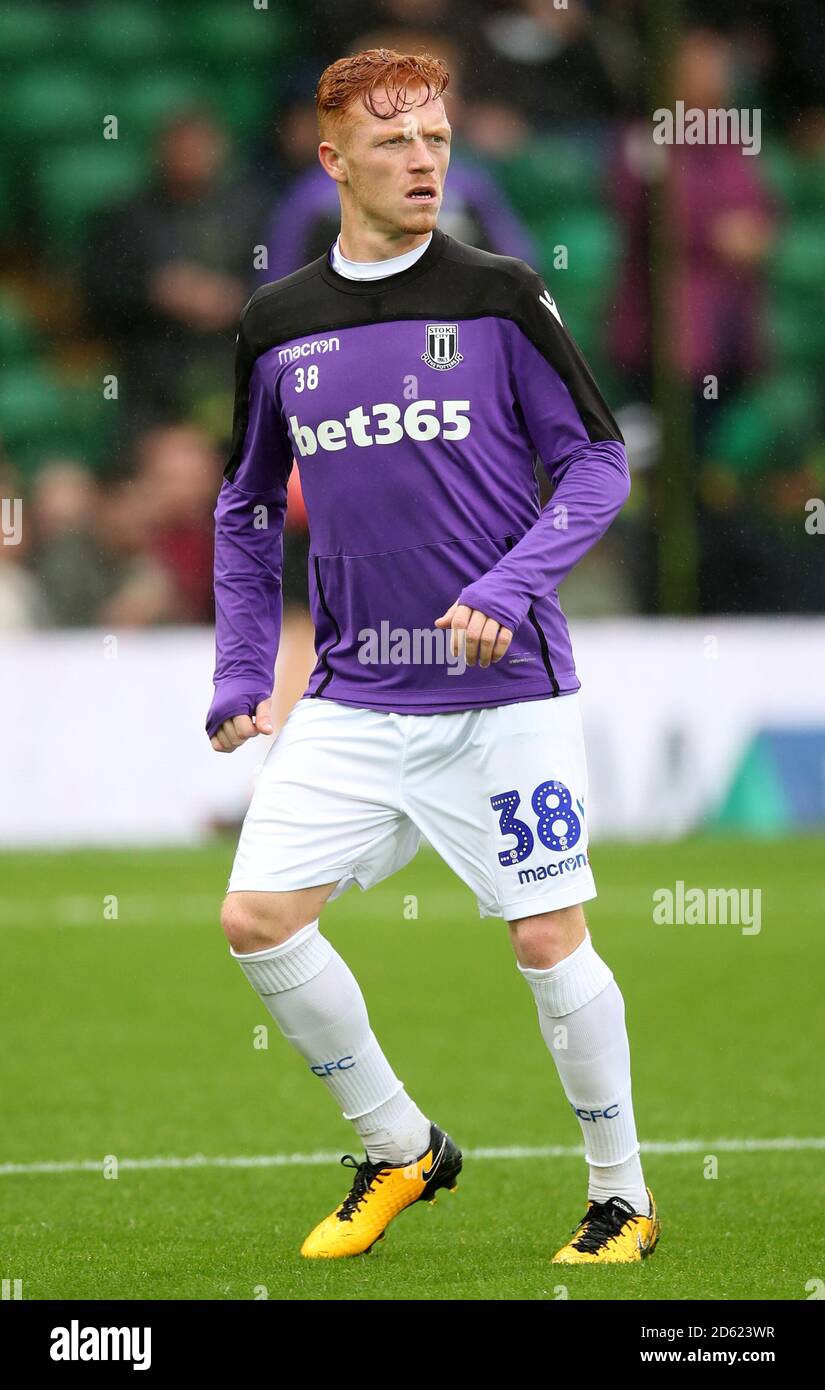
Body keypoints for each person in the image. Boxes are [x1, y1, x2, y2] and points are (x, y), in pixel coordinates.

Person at [206, 47, 659, 1265]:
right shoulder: (277, 322)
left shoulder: (502, 294)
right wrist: (245, 673)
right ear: (333, 156)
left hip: (507, 693)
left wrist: (508, 587)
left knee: (546, 937)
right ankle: (401, 1144)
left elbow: (599, 463)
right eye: (396, 141)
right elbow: (246, 506)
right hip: (356, 695)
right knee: (255, 918)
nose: (423, 161)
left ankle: (622, 1195)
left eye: (439, 139)